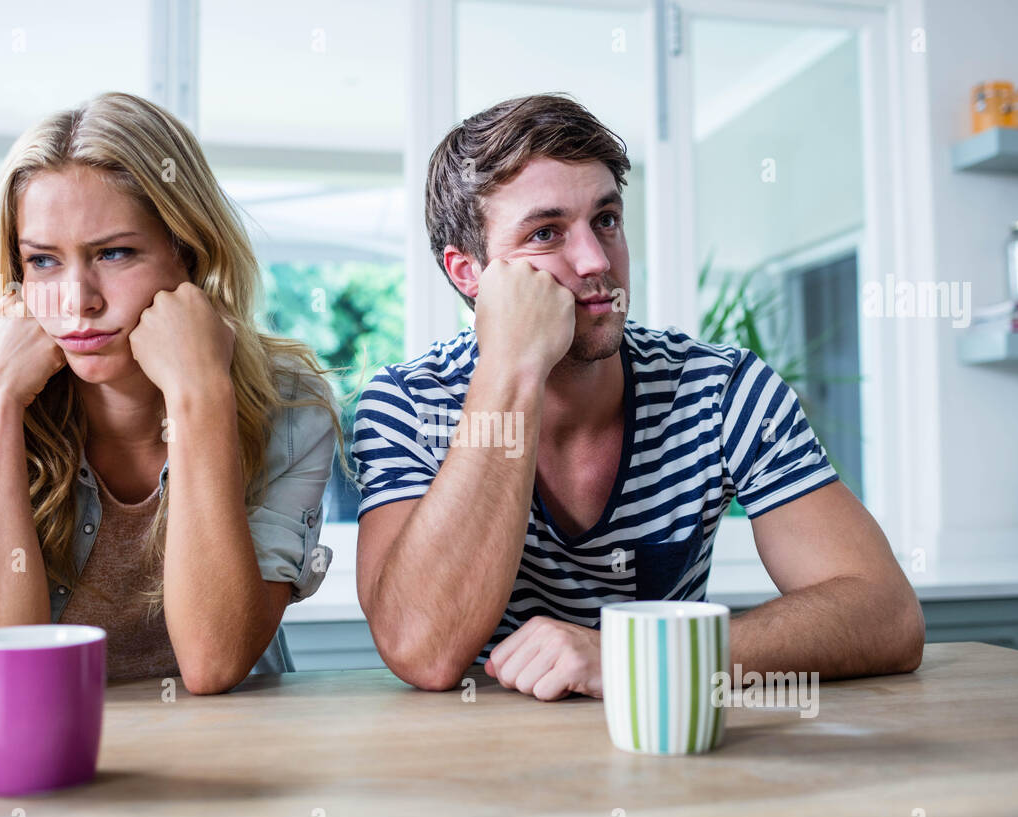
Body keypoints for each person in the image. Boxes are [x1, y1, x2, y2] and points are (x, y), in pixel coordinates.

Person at [352, 93, 924, 701]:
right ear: (468, 273)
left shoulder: (720, 388)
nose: (596, 260)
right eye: (546, 233)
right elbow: (423, 651)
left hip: (672, 753)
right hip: (484, 768)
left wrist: (638, 656)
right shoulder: (408, 403)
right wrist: (512, 368)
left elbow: (887, 615)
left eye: (606, 219)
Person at [0, 92, 342, 694]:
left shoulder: (290, 405)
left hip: (210, 758)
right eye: (44, 261)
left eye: (114, 252)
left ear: (187, 252)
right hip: (8, 748)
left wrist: (200, 395)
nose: (77, 300)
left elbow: (215, 661)